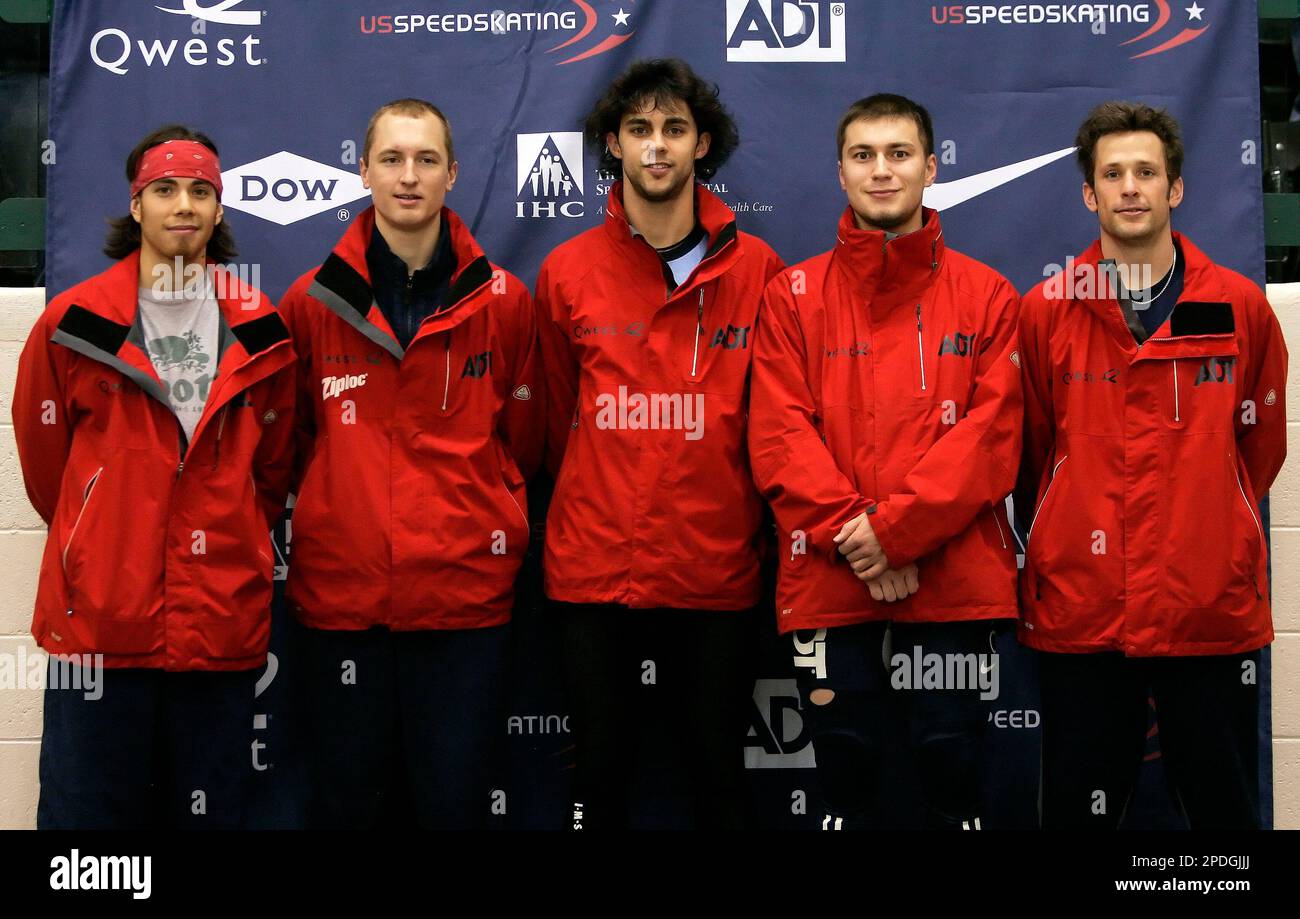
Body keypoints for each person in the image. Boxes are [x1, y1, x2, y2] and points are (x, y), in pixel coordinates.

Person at [748, 94, 1022, 829]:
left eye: (899, 154)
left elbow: (992, 438)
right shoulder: (791, 297)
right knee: (846, 760)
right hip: (831, 574)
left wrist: (897, 533)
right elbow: (778, 434)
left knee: (950, 760)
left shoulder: (989, 295)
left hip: (953, 576)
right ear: (840, 171)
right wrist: (862, 536)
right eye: (863, 155)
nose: (881, 170)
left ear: (931, 168)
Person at [13, 124, 296, 828]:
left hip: (217, 622)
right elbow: (50, 472)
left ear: (220, 209)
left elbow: (268, 471)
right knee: (88, 832)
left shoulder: (263, 328)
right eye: (164, 188)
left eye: (201, 190)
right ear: (135, 206)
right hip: (101, 626)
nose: (183, 204)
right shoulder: (71, 324)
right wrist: (100, 537)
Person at [1017, 101, 1288, 830]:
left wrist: (1208, 524)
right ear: (1089, 194)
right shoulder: (1046, 310)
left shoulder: (1240, 307)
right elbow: (1037, 451)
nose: (1130, 187)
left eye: (1146, 172)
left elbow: (1256, 449)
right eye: (1113, 173)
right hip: (1084, 609)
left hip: (1208, 608)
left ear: (1175, 190)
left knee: (1223, 816)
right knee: (1079, 810)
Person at [277, 99, 542, 829]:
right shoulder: (309, 303)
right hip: (342, 607)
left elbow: (523, 442)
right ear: (362, 170)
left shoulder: (505, 303)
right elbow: (293, 446)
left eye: (426, 159)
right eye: (391, 159)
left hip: (464, 606)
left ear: (452, 173)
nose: (408, 176)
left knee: (454, 809)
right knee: (348, 810)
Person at [534, 58, 784, 829]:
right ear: (613, 143)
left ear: (702, 144)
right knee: (599, 780)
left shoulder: (759, 268)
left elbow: (773, 427)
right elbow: (545, 425)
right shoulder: (567, 271)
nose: (656, 146)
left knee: (718, 778)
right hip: (593, 573)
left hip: (714, 570)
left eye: (674, 129)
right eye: (639, 129)